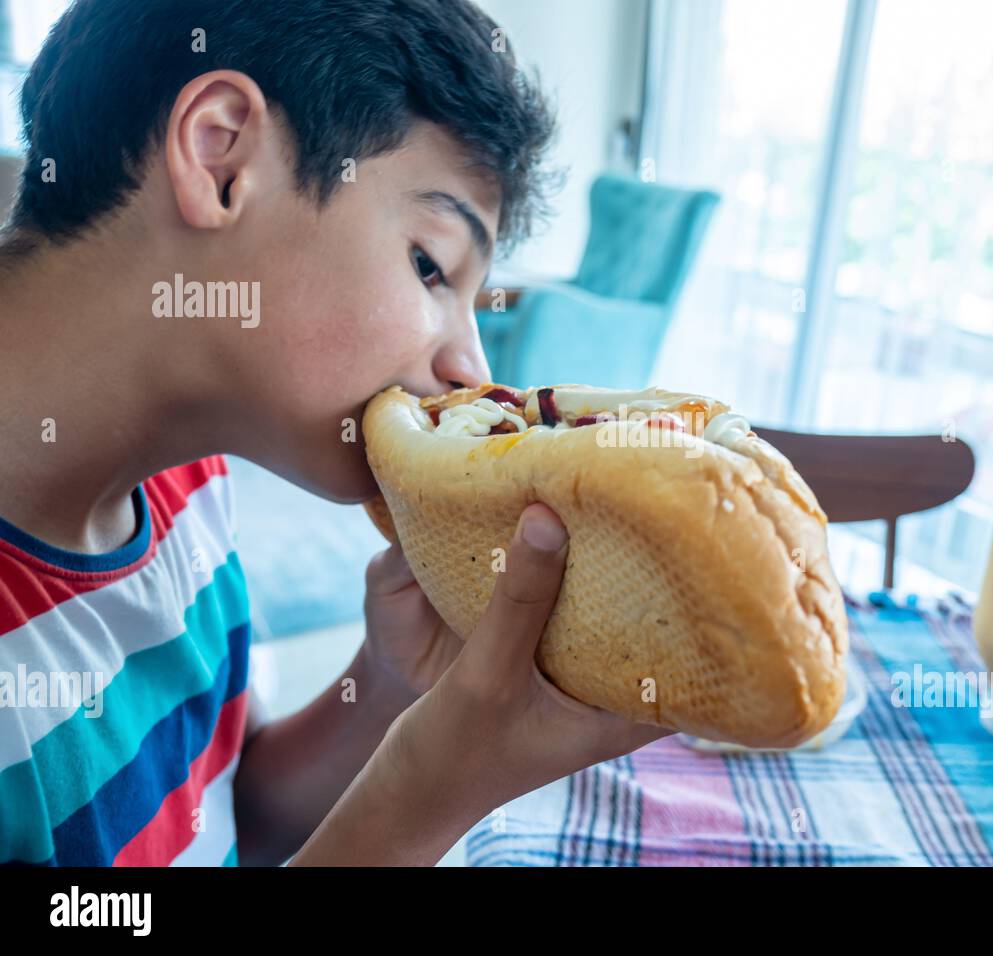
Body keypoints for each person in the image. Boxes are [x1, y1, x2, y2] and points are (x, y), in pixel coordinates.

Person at [0, 0, 665, 866]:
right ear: (221, 155)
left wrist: (390, 686)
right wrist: (435, 786)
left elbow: (233, 820)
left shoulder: (182, 475)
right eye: (431, 265)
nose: (472, 368)